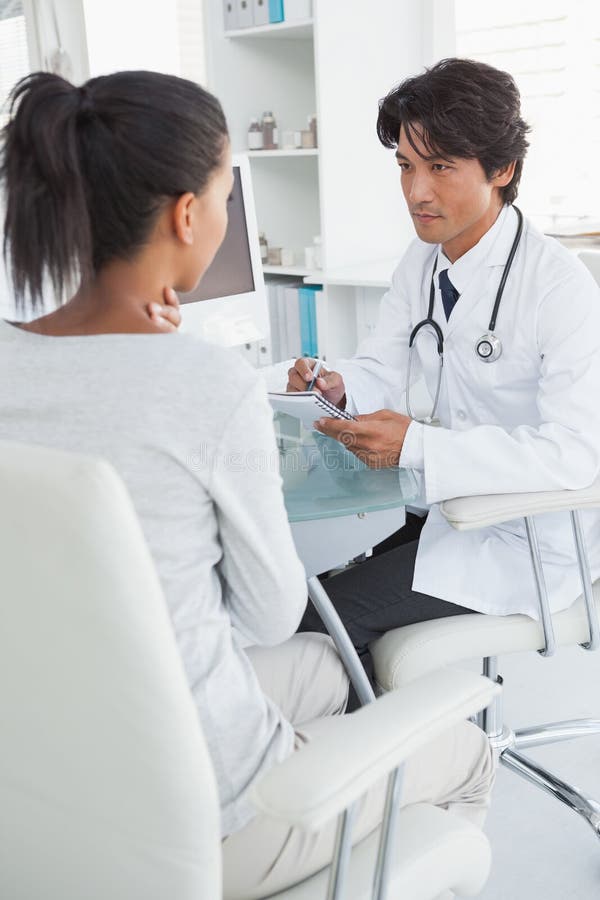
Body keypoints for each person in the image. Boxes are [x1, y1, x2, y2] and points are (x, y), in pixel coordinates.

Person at [0, 69, 493, 898]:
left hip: (36, 781)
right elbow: (263, 612)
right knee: (466, 754)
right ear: (187, 216)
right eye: (227, 194)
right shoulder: (203, 386)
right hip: (196, 820)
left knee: (334, 667)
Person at [289, 58, 600, 683]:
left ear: (502, 170)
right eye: (406, 165)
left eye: (440, 167)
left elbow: (577, 454)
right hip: (445, 509)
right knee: (301, 588)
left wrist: (419, 444)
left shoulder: (559, 287)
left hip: (525, 542)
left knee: (325, 622)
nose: (416, 192)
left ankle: (392, 772)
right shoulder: (422, 260)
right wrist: (340, 382)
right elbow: (387, 361)